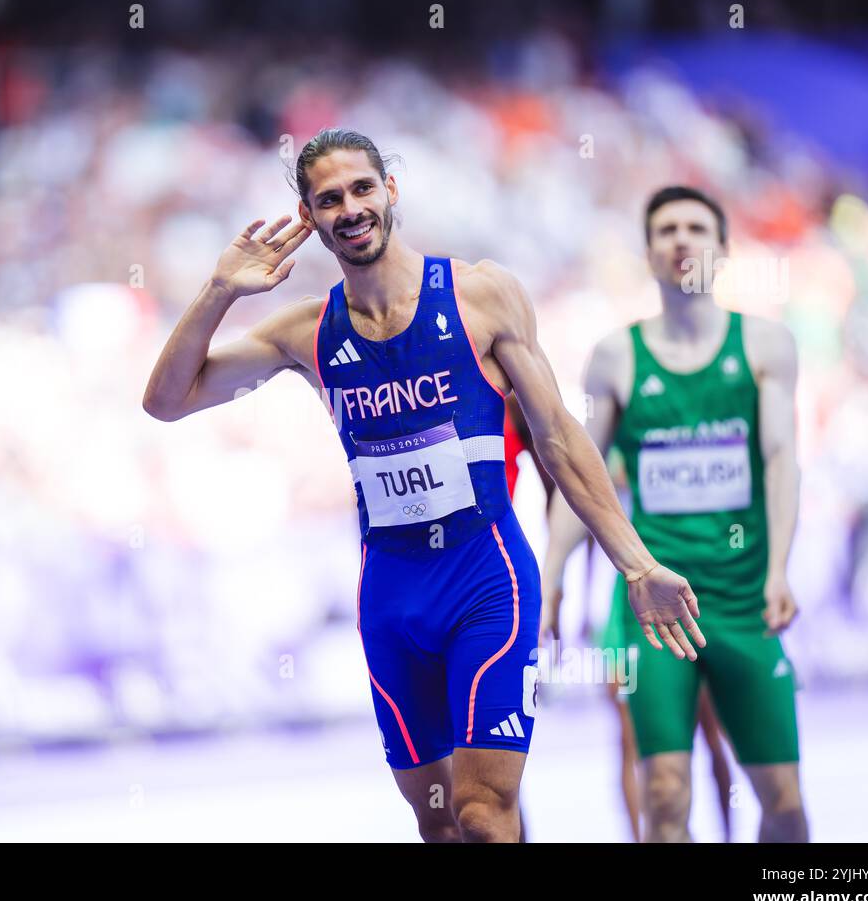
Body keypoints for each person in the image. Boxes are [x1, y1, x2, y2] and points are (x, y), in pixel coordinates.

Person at [143, 129, 704, 843]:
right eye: (328, 199)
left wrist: (638, 563)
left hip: (485, 581)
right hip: (390, 598)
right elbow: (167, 399)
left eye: (361, 189)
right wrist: (221, 288)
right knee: (438, 824)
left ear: (391, 191)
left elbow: (559, 437)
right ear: (308, 215)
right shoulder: (305, 333)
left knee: (483, 814)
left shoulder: (481, 296)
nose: (349, 208)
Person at [541, 186, 808, 842]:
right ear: (649, 252)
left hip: (745, 600)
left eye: (696, 228)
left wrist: (778, 568)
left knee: (784, 802)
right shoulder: (615, 357)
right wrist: (551, 574)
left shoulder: (766, 345)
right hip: (656, 614)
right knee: (662, 792)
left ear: (723, 248)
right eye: (666, 230)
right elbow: (584, 478)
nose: (682, 240)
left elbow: (780, 459)